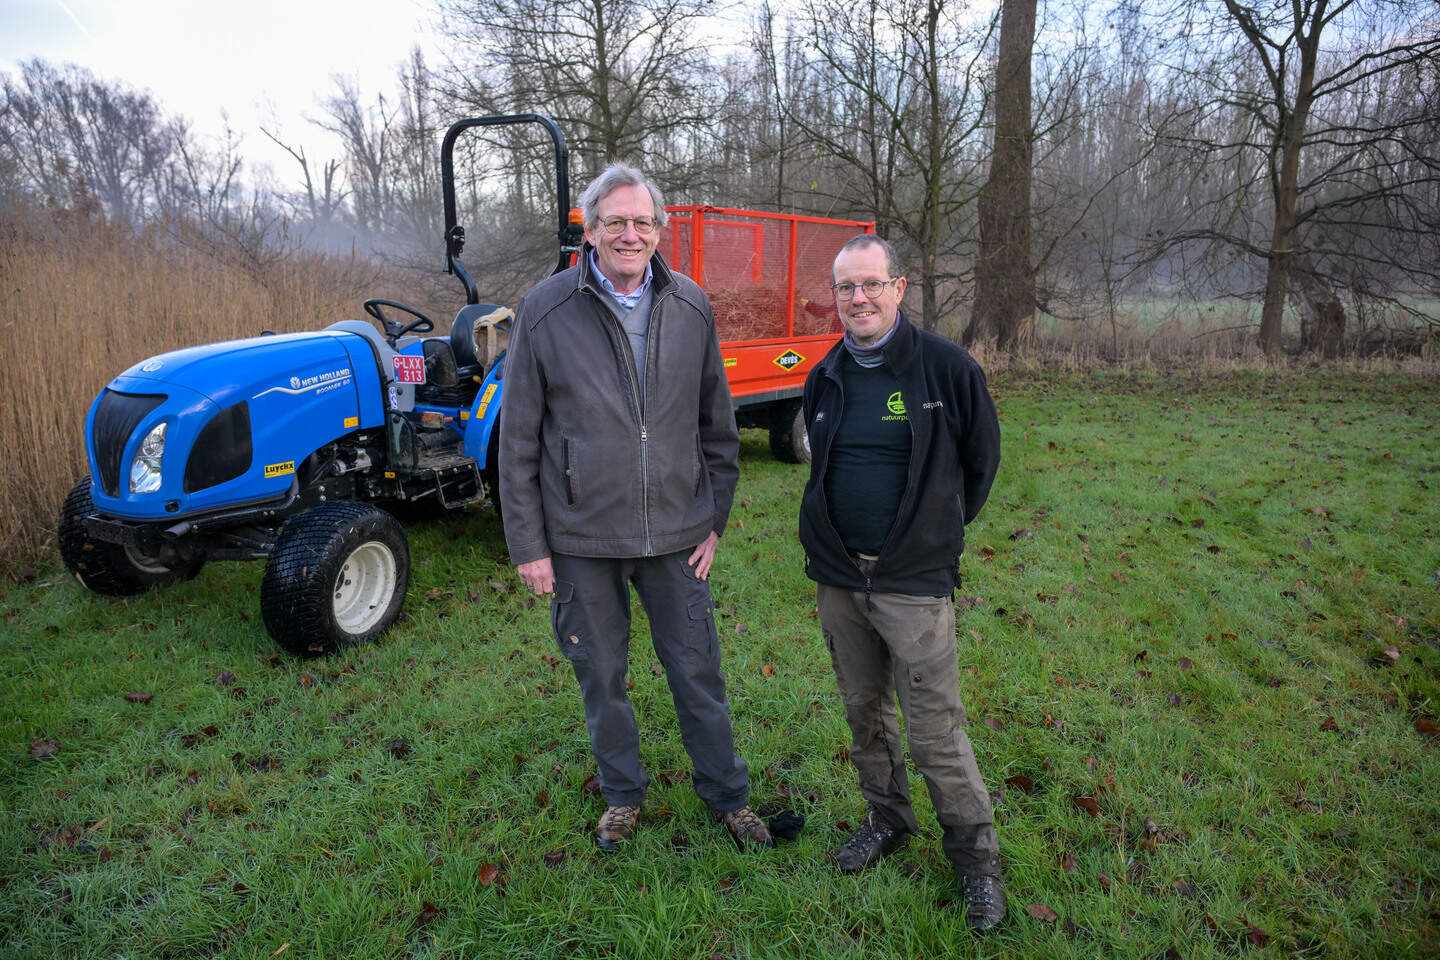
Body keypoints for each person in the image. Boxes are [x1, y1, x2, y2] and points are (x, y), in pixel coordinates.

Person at [499, 163, 772, 853]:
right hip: (581, 535)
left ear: (659, 230)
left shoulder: (690, 305)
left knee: (698, 672)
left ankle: (728, 796)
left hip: (678, 532)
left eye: (642, 222)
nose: (629, 234)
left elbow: (718, 425)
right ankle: (622, 794)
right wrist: (529, 545)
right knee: (602, 676)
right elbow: (520, 436)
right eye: (614, 221)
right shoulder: (546, 308)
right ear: (588, 230)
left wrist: (715, 518)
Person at [798, 234, 1005, 931]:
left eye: (871, 285)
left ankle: (976, 863)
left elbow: (979, 467)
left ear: (900, 287)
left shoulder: (947, 370)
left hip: (913, 581)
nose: (858, 299)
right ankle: (886, 822)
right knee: (865, 716)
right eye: (845, 289)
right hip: (838, 577)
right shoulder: (824, 374)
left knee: (935, 731)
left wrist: (930, 536)